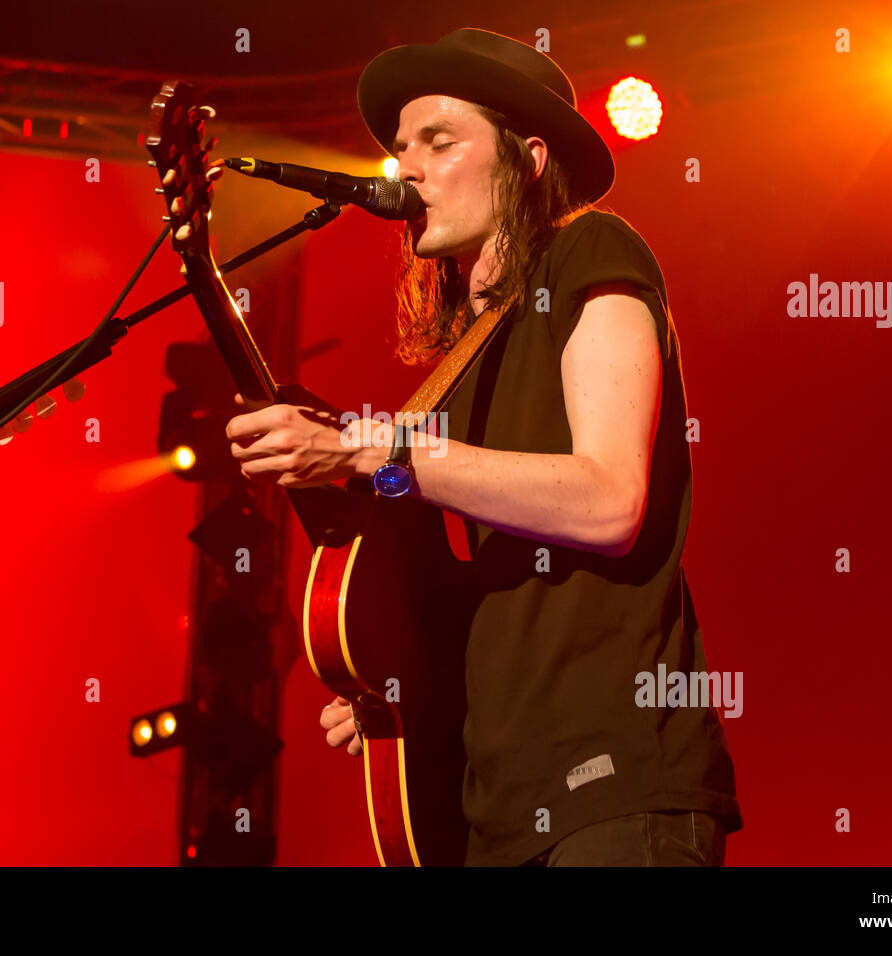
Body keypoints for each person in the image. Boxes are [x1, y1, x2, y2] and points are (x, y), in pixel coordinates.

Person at [226, 28, 741, 866]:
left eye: (439, 141)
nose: (408, 170)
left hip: (611, 785)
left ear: (528, 158)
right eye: (401, 150)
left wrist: (374, 452)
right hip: (494, 807)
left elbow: (609, 501)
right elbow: (480, 582)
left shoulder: (594, 249)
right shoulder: (468, 355)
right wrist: (407, 690)